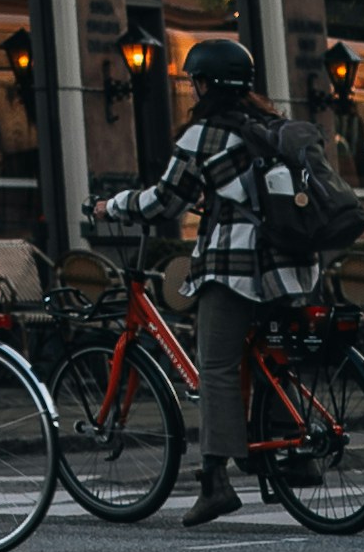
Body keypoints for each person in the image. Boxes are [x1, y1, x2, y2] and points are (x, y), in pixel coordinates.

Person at [136, 35, 348, 526]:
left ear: (205, 83)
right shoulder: (270, 125)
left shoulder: (205, 135)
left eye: (194, 81)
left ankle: (215, 481)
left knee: (217, 367)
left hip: (236, 269)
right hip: (294, 266)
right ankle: (299, 455)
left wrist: (111, 206)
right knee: (274, 358)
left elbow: (163, 201)